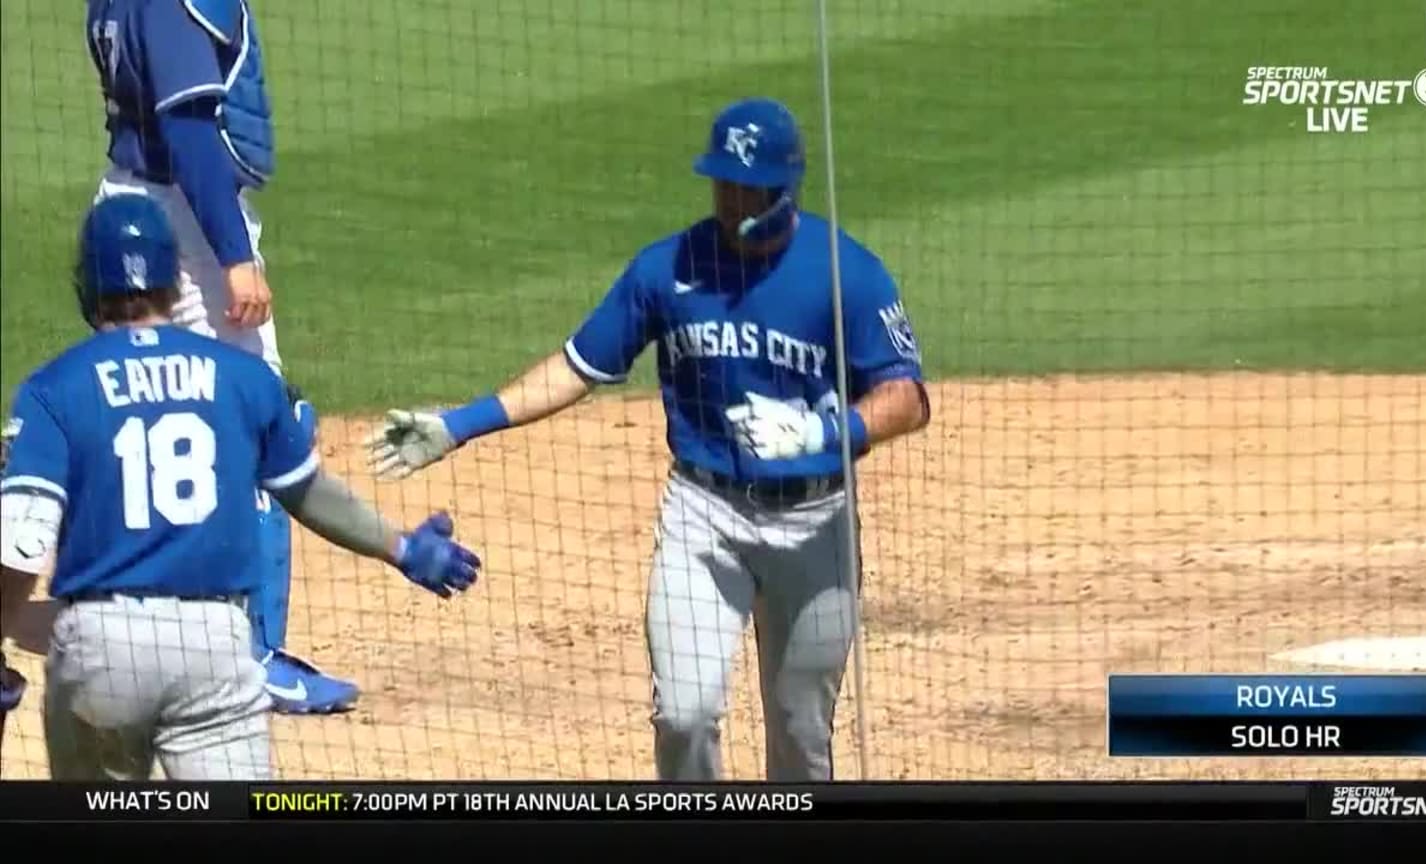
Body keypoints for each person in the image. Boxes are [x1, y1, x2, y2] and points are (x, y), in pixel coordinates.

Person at [363, 97, 931, 781]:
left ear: (784, 189)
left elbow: (909, 399)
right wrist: (459, 423)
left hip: (815, 523)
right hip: (705, 514)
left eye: (745, 186)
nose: (729, 199)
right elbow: (578, 366)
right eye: (721, 182)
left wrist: (824, 429)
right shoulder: (669, 267)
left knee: (800, 730)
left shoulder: (848, 273)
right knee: (682, 715)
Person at [0, 195, 481, 780]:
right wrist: (404, 549)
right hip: (217, 646)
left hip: (103, 651)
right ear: (175, 282)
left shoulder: (53, 390)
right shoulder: (244, 379)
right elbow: (307, 493)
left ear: (86, 283)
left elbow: (20, 542)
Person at [80, 0, 356, 712]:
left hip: (136, 206)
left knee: (142, 414)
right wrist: (235, 258)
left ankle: (152, 627)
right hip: (185, 221)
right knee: (260, 421)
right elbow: (187, 130)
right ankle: (252, 658)